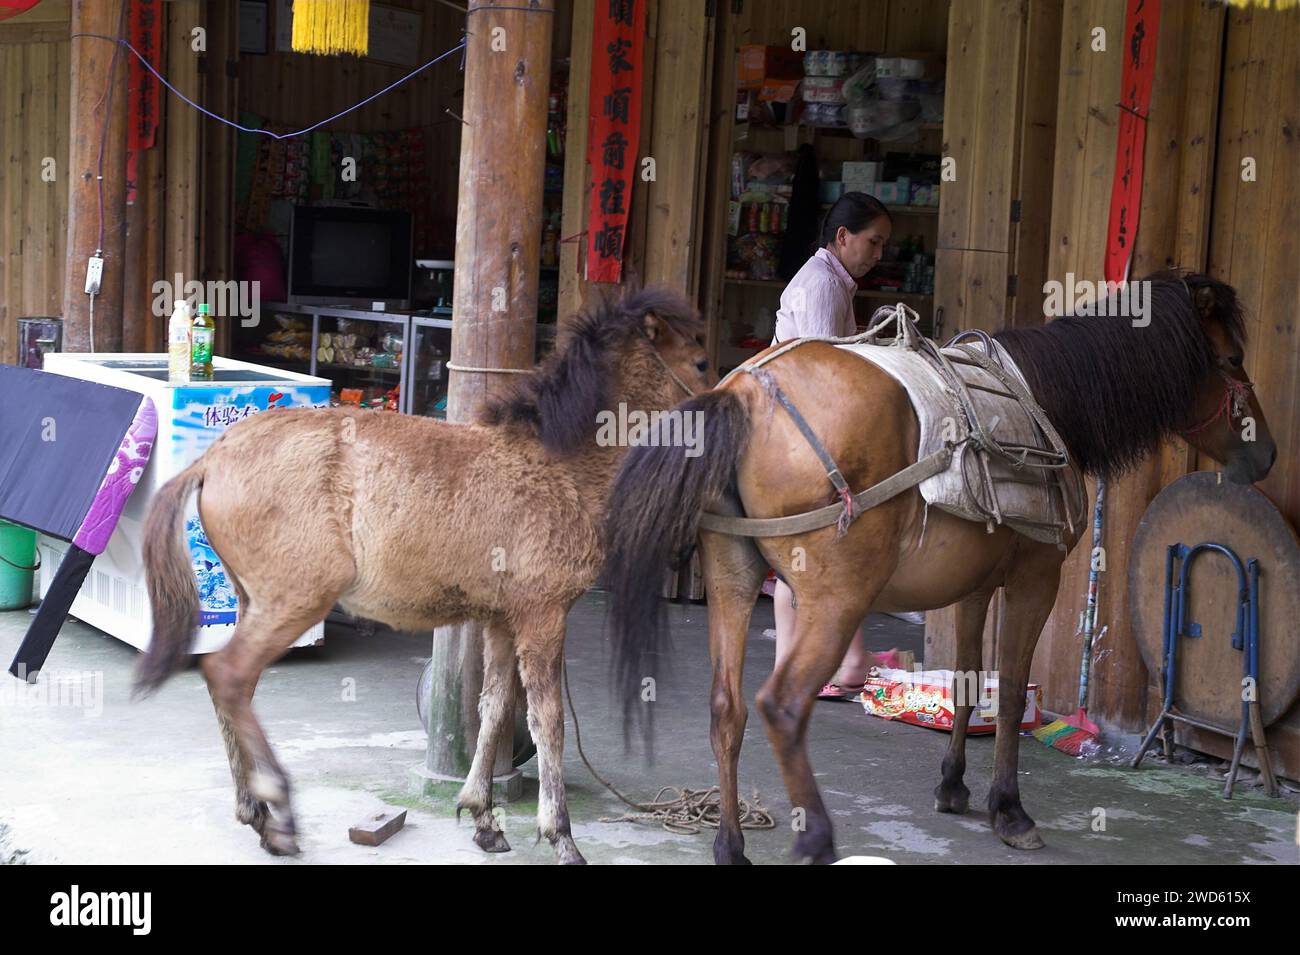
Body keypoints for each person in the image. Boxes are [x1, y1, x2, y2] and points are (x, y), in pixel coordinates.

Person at [769, 192, 901, 700]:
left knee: (832, 545)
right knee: (806, 551)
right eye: (872, 242)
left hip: (803, 422)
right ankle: (805, 665)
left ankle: (845, 661)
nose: (878, 254)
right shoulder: (822, 284)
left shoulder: (832, 281)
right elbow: (827, 376)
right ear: (843, 237)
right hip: (805, 429)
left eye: (884, 245)